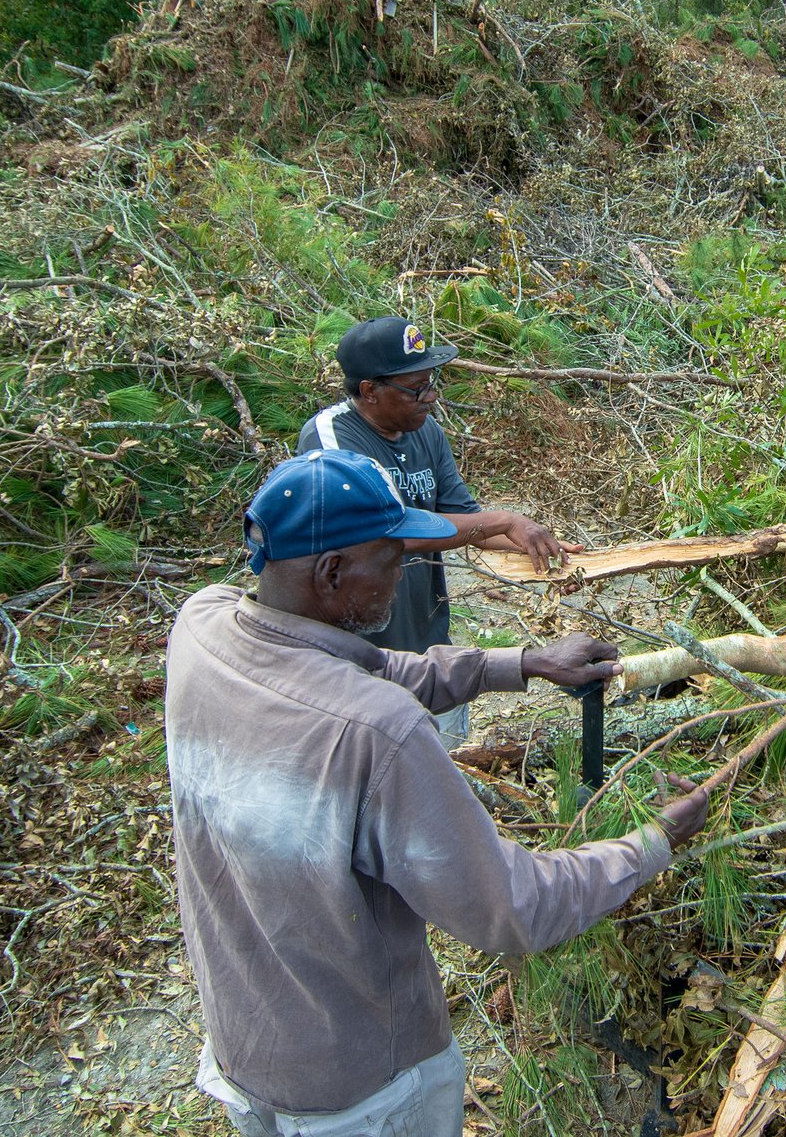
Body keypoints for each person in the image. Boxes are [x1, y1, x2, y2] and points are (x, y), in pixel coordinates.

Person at [167, 448, 710, 1137]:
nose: (405, 570)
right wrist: (655, 841)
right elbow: (514, 909)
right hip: (363, 1088)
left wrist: (521, 664)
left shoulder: (203, 625)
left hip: (243, 1043)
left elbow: (356, 669)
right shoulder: (376, 733)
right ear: (331, 572)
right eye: (392, 557)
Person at [298, 316, 578, 748]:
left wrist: (535, 545)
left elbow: (465, 521)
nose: (430, 397)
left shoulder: (425, 431)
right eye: (416, 388)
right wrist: (506, 520)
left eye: (431, 383)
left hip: (426, 639)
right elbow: (382, 532)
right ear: (369, 391)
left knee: (442, 758)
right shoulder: (331, 438)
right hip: (357, 653)